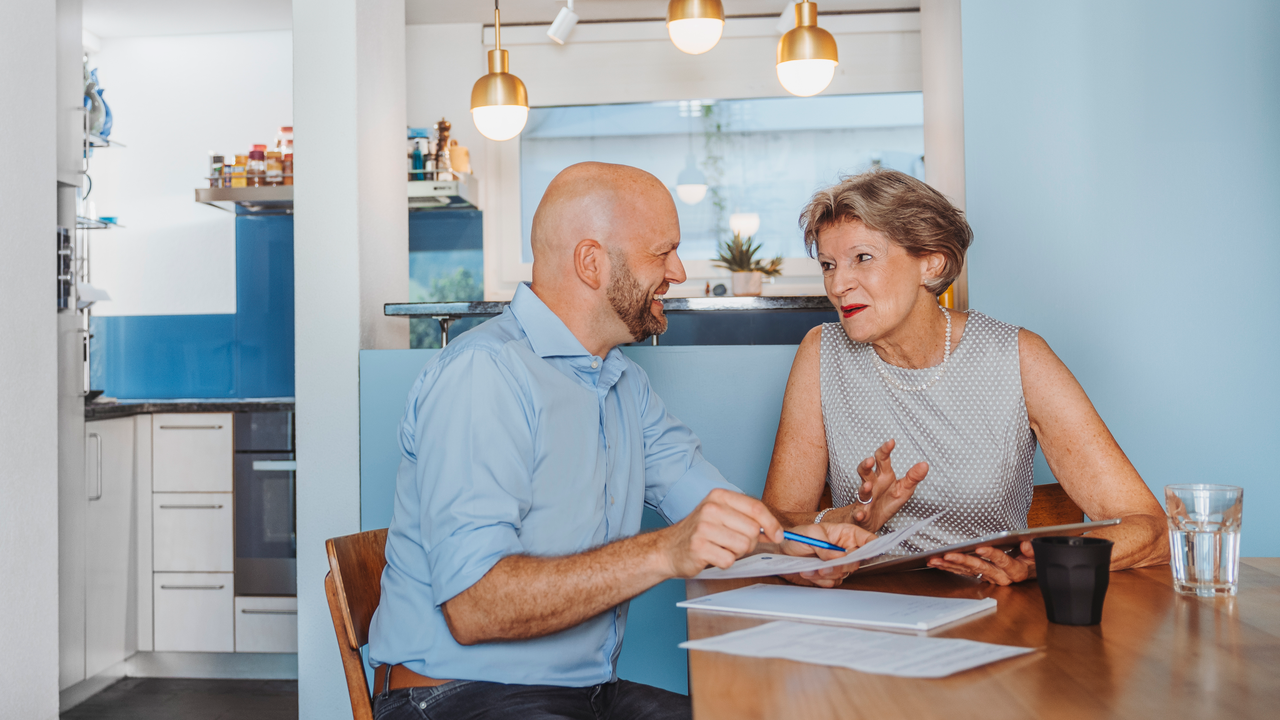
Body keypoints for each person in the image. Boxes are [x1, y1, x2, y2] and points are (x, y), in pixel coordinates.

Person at [368, 162, 871, 720]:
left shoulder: (623, 381)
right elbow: (475, 605)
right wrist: (665, 550)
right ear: (591, 263)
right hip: (457, 695)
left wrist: (804, 546)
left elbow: (713, 511)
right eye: (663, 252)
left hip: (585, 696)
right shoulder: (484, 376)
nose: (678, 272)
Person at [761, 169, 1169, 586]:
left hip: (995, 608)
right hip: (863, 606)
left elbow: (1150, 528)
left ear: (931, 262)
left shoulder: (1019, 356)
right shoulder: (821, 352)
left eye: (862, 258)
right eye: (828, 265)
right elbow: (775, 522)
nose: (838, 284)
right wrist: (854, 517)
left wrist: (1037, 566)